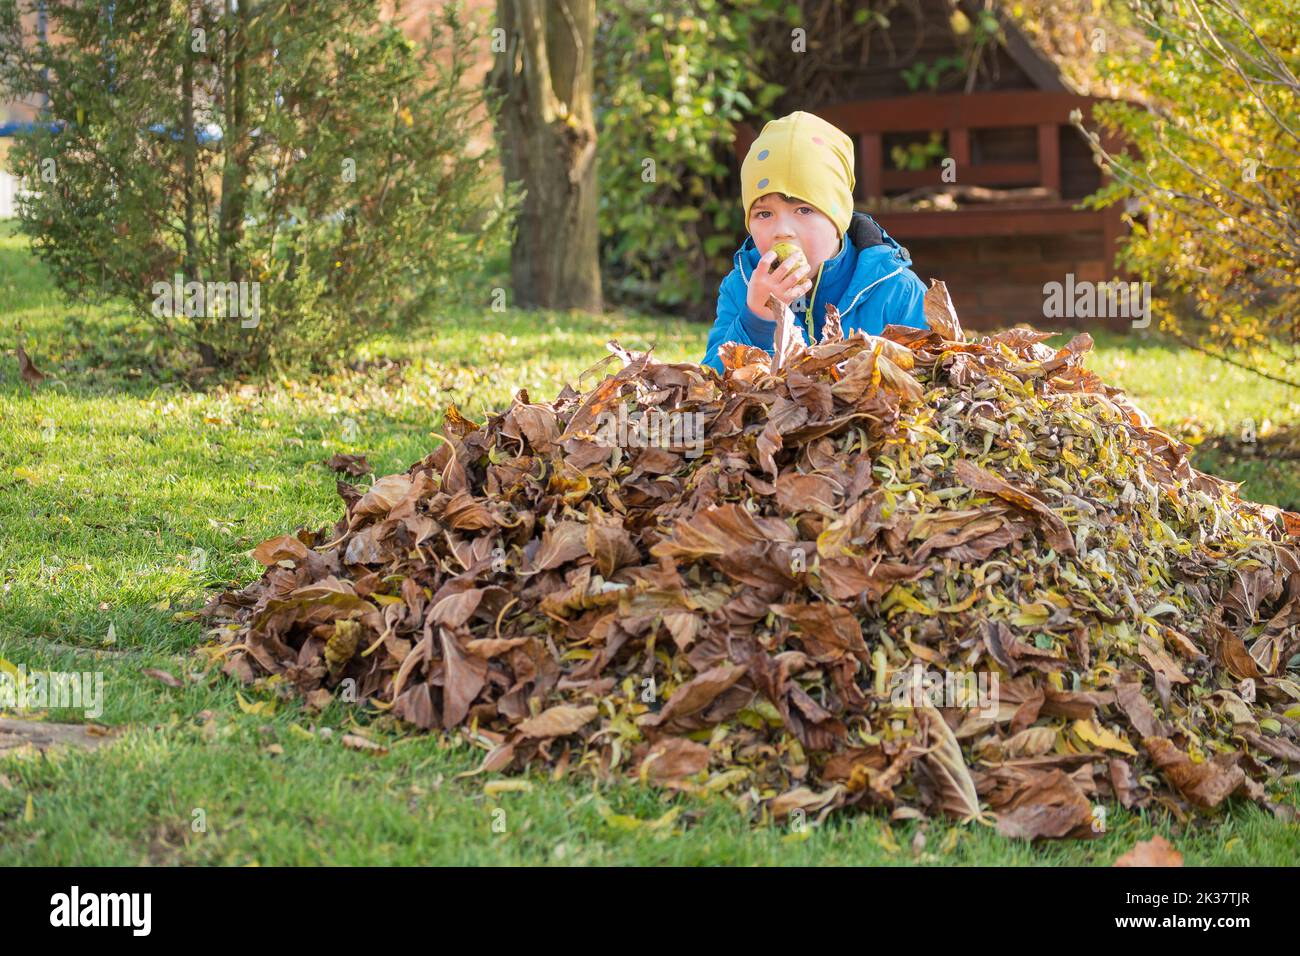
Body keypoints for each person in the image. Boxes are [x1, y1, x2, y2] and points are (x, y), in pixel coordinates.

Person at [701, 110, 930, 373]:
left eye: (804, 210)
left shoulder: (897, 291)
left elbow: (938, 382)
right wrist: (758, 319)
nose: (782, 231)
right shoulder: (741, 287)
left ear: (838, 220)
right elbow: (713, 386)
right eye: (764, 213)